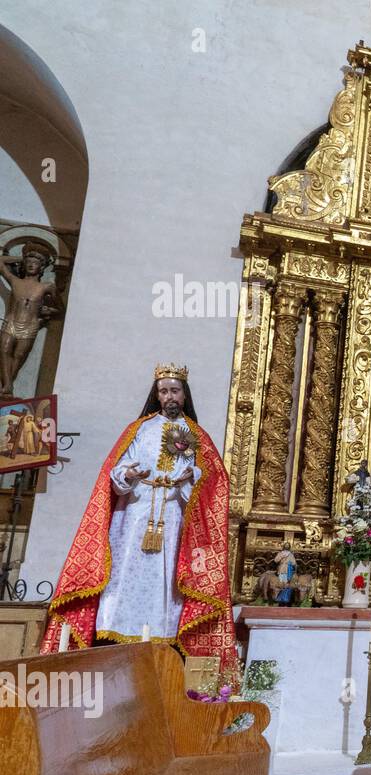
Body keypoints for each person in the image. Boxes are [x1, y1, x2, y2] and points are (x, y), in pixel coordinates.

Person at [40, 364, 238, 671]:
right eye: (163, 391)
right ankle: (110, 644)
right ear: (156, 395)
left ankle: (164, 643)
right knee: (122, 577)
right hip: (134, 514)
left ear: (184, 395)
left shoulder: (197, 436)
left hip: (173, 518)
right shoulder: (139, 429)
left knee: (167, 582)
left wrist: (192, 476)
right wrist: (128, 474)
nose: (169, 396)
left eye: (175, 390)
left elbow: (215, 484)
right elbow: (115, 471)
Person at [0, 243, 61, 396]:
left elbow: (60, 309)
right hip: (11, 322)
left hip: (30, 325)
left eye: (35, 263)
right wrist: (20, 258)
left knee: (19, 356)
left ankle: (7, 387)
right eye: (29, 262)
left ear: (41, 267)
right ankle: (7, 386)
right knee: (4, 350)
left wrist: (46, 310)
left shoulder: (47, 286)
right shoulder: (15, 281)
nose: (31, 265)